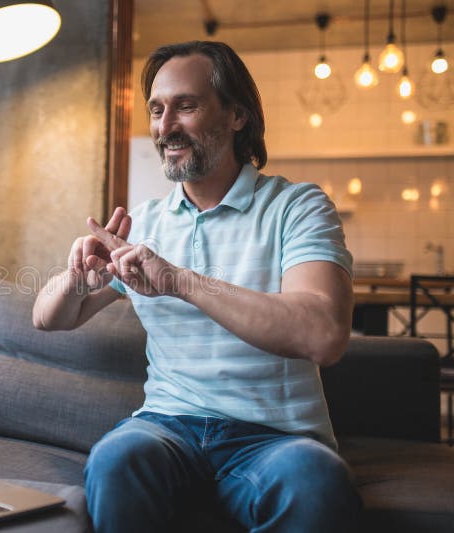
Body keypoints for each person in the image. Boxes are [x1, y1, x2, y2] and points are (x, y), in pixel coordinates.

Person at [32, 41, 360, 533]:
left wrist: (181, 282)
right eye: (157, 110)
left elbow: (323, 333)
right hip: (166, 427)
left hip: (275, 440)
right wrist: (80, 279)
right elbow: (47, 318)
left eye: (185, 106)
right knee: (115, 461)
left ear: (237, 116)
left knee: (316, 482)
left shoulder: (297, 207)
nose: (165, 127)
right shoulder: (143, 225)